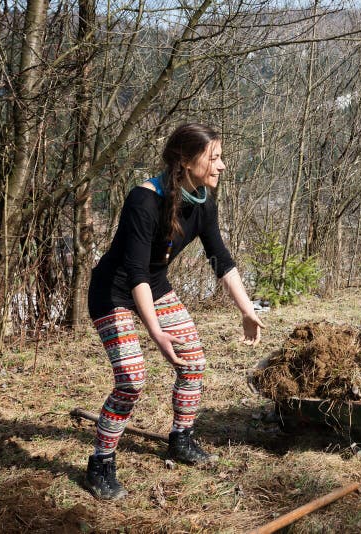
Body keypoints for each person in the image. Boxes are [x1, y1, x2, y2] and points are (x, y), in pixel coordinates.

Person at [84, 123, 265, 500]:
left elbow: (221, 259)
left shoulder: (201, 201)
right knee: (131, 379)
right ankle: (100, 462)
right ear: (185, 161)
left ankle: (180, 439)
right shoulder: (143, 201)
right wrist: (157, 333)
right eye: (213, 158)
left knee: (194, 361)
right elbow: (135, 273)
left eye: (220, 157)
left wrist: (247, 310)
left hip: (154, 286)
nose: (222, 166)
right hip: (114, 291)